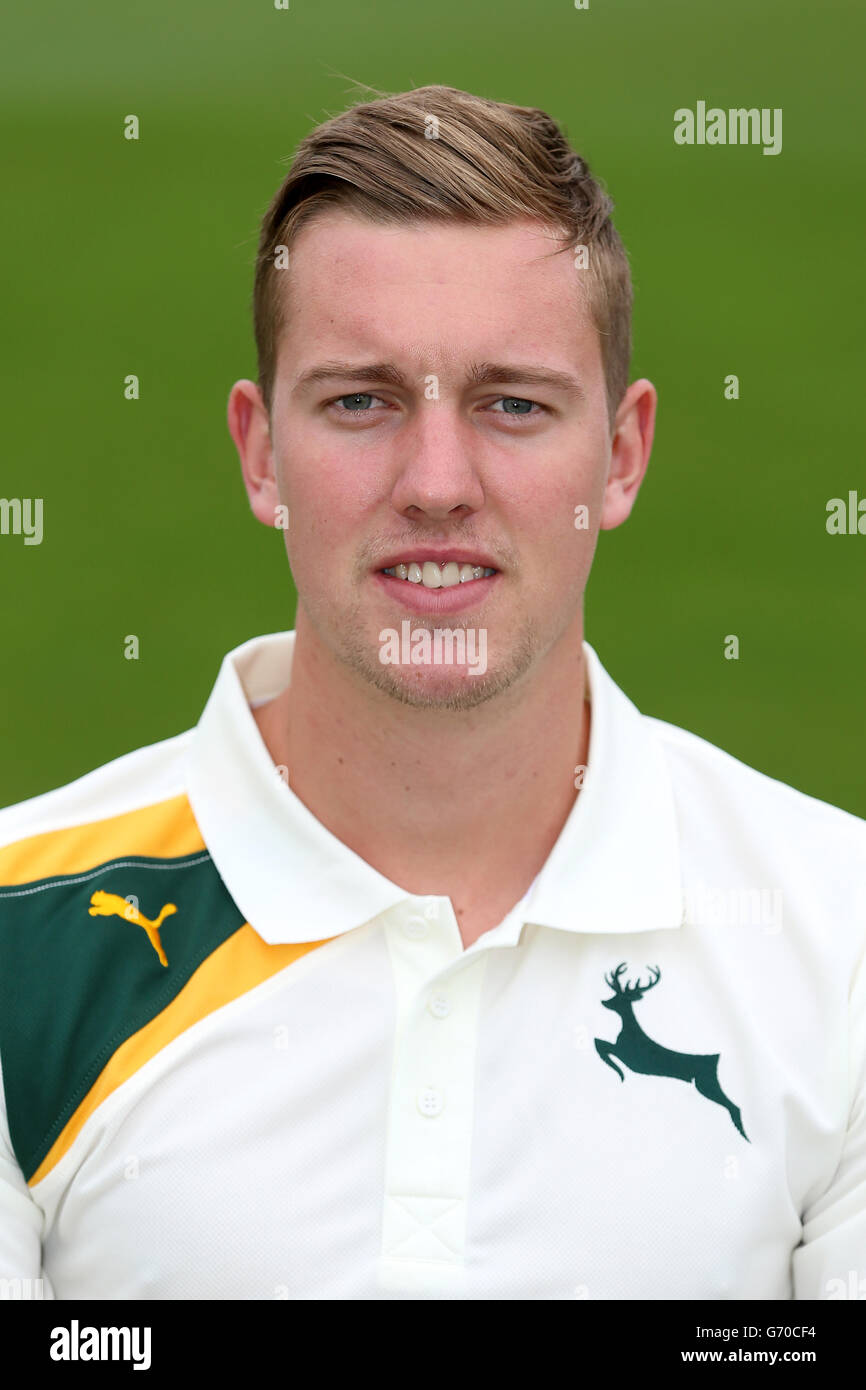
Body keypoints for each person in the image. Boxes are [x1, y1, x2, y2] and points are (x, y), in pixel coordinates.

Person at [0, 85, 863, 1301]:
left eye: (513, 403)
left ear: (618, 456)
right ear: (261, 454)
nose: (437, 482)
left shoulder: (838, 942)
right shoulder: (18, 932)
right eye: (361, 400)